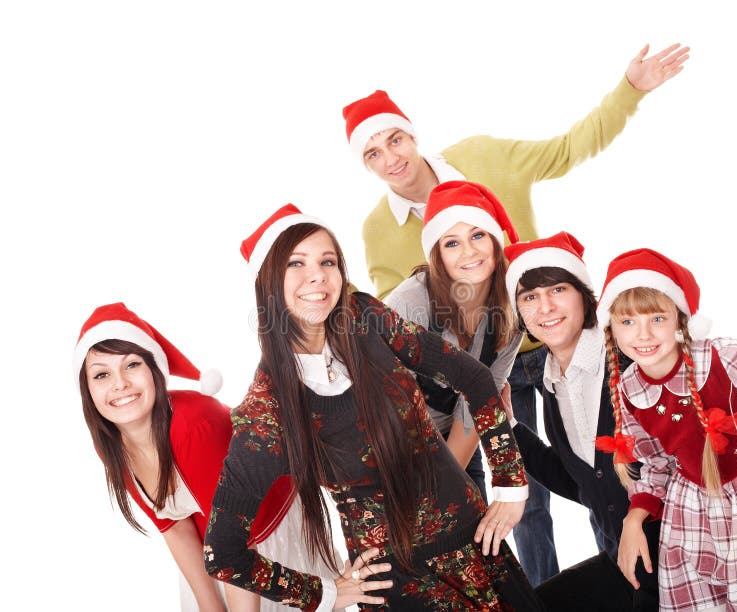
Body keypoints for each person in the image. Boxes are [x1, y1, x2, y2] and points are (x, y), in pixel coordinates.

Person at [342, 41, 690, 585]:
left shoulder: (484, 156)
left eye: (395, 139)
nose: (391, 159)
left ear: (412, 133)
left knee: (598, 465)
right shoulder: (379, 233)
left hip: (546, 342)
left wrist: (629, 91)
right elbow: (408, 339)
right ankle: (532, 591)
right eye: (372, 154)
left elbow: (566, 150)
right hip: (469, 369)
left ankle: (626, 575)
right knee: (516, 496)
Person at [203, 204, 542, 610]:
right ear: (268, 283)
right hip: (399, 584)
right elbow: (222, 553)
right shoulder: (266, 410)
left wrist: (510, 484)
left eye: (328, 261)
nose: (317, 275)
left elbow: (472, 376)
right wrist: (324, 593)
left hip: (477, 543)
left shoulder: (365, 317)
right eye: (296, 263)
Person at [75, 302, 332, 611]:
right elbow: (174, 526)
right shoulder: (110, 441)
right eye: (101, 374)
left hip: (262, 536)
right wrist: (209, 604)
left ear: (155, 371)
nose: (120, 384)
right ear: (87, 389)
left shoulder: (195, 426)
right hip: (211, 549)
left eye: (132, 365)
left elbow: (234, 544)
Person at [595, 248, 737, 611]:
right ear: (612, 327)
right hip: (690, 513)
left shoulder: (725, 357)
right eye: (627, 322)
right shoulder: (629, 389)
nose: (643, 334)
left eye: (657, 318)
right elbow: (656, 465)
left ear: (680, 319)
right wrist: (634, 517)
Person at [500, 232, 659, 611]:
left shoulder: (629, 356)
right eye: (529, 297)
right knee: (532, 605)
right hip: (623, 561)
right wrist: (512, 427)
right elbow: (582, 484)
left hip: (677, 554)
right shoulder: (552, 381)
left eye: (558, 289)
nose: (545, 307)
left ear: (584, 295)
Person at [385, 180, 523, 501]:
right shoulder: (411, 302)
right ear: (438, 255)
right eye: (452, 243)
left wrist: (444, 487)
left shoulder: (511, 313)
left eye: (478, 235)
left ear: (495, 241)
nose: (469, 252)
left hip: (455, 440)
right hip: (393, 442)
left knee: (473, 522)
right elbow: (385, 400)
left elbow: (475, 408)